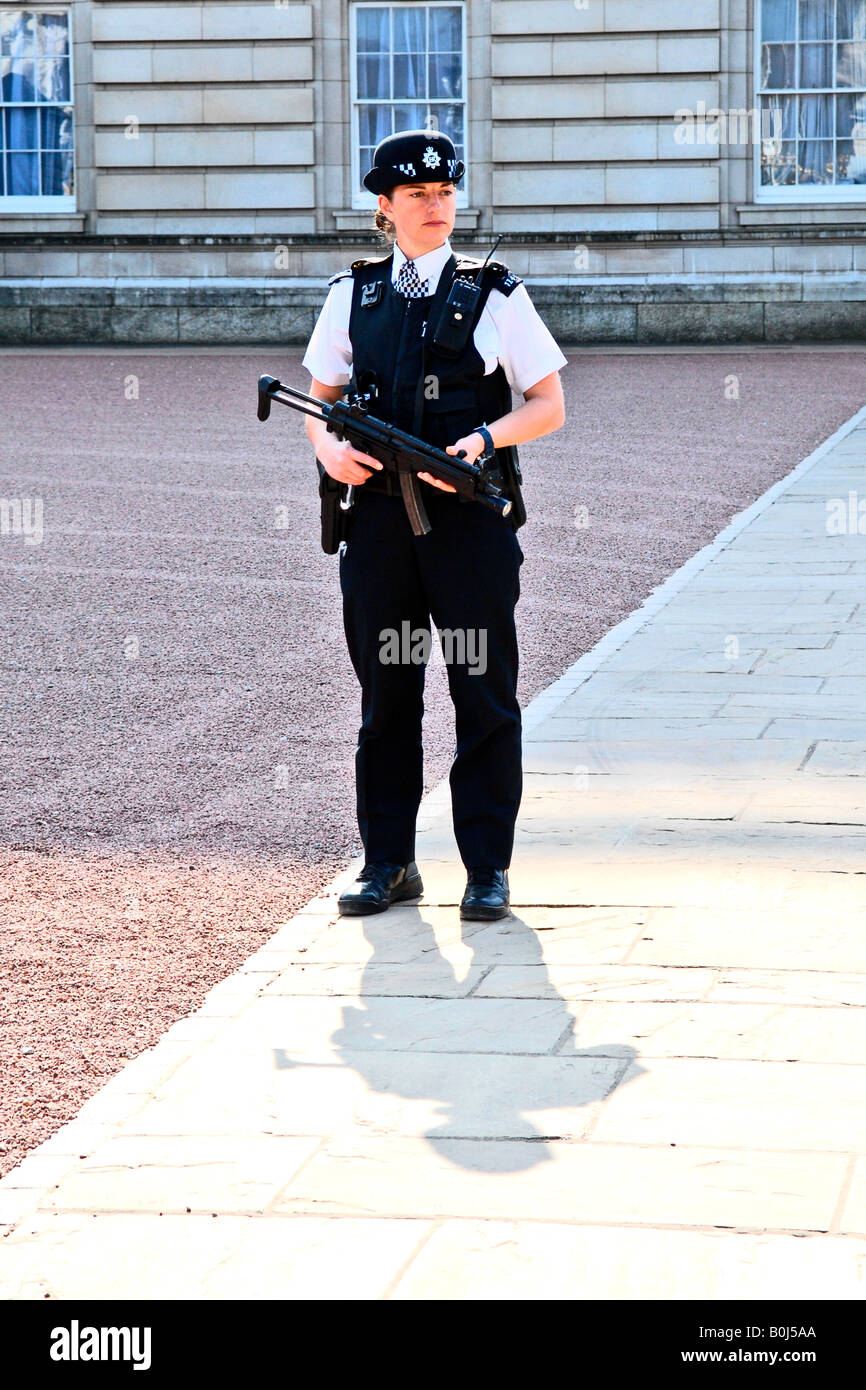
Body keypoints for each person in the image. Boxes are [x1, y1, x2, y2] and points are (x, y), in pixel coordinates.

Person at [302, 128, 566, 921]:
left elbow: (549, 406)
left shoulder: (495, 294)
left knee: (483, 692)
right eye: (417, 195)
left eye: (445, 193)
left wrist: (486, 439)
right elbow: (320, 401)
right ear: (384, 206)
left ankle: (487, 868)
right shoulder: (355, 294)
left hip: (468, 526)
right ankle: (388, 863)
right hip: (379, 529)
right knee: (388, 697)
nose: (435, 207)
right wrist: (328, 451)